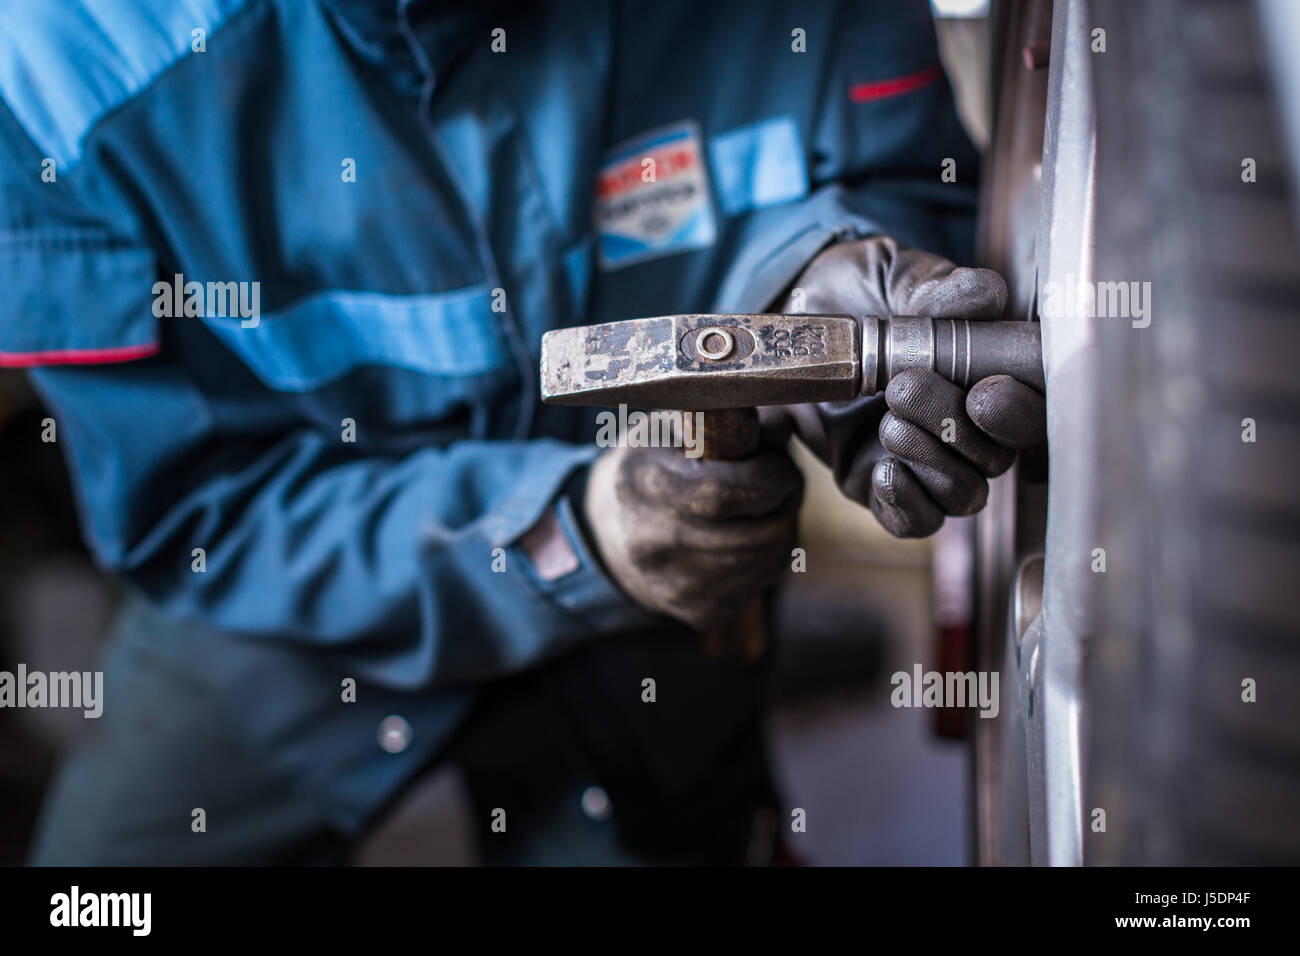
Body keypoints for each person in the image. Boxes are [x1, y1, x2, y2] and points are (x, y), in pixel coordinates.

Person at [0, 0, 1043, 865]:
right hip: (286, 583)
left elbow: (903, 178)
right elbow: (189, 502)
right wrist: (569, 533)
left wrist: (833, 298)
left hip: (682, 539)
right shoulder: (59, 60)